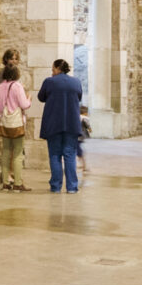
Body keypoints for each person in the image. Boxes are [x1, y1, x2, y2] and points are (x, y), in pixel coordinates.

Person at [35, 59, 86, 194]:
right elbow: (79, 97)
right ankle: (72, 187)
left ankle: (56, 186)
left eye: (53, 70)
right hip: (71, 123)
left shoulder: (49, 82)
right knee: (70, 154)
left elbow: (41, 97)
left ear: (58, 68)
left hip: (53, 123)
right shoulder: (76, 82)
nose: (52, 73)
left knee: (55, 154)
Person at [0, 63, 32, 191]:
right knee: (17, 154)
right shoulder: (17, 86)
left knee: (6, 153)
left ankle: (5, 183)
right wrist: (29, 98)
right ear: (16, 74)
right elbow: (24, 105)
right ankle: (18, 183)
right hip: (16, 125)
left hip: (5, 124)